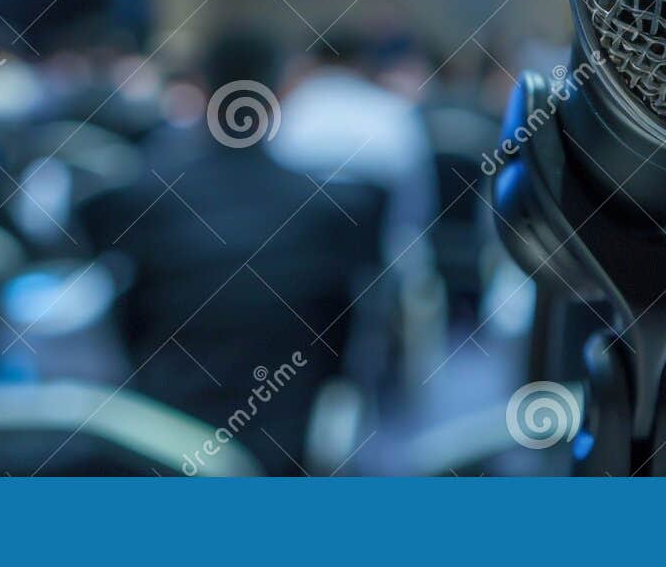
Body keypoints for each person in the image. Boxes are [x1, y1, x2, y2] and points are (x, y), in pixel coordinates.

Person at [116, 29, 367, 474]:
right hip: (287, 449)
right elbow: (344, 342)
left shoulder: (144, 200)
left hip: (165, 447)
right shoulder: (330, 210)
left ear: (201, 92)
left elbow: (130, 328)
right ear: (279, 97)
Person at [267, 30, 437, 259]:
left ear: (311, 63)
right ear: (364, 63)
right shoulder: (396, 113)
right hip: (382, 262)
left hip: (296, 263)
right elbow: (417, 207)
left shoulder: (285, 114)